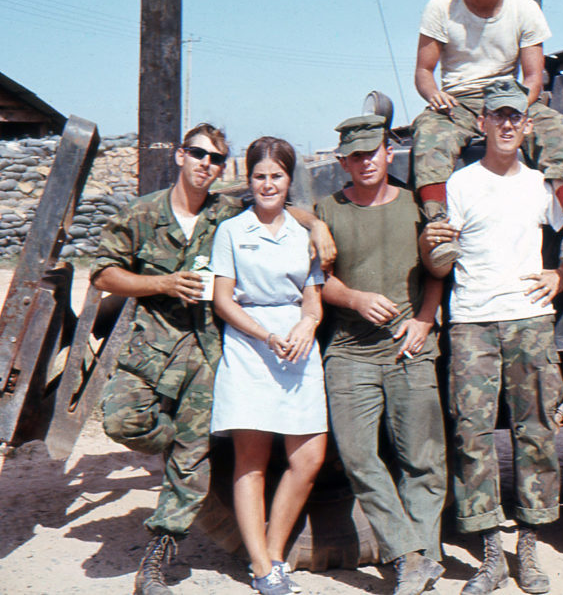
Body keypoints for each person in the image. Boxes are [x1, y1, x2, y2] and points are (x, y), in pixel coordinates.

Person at [92, 124, 335, 595]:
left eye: (217, 158)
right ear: (180, 155)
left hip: (208, 350)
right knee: (123, 422)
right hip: (157, 345)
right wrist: (159, 284)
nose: (207, 163)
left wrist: (317, 224)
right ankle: (183, 455)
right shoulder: (144, 213)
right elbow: (103, 273)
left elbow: (276, 206)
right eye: (199, 154)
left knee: (195, 452)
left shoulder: (226, 212)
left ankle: (160, 557)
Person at [421, 78, 563, 595]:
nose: (507, 124)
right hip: (472, 322)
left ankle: (528, 551)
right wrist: (429, 246)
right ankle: (491, 554)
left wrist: (561, 275)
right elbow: (438, 262)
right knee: (473, 436)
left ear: (527, 124)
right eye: (498, 117)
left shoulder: (540, 185)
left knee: (535, 433)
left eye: (516, 117)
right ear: (482, 123)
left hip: (528, 320)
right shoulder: (460, 184)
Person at [413, 0, 563, 271]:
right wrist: (434, 96)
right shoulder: (442, 6)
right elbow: (424, 72)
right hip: (458, 99)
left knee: (555, 125)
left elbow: (533, 78)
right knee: (429, 135)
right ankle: (440, 231)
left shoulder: (524, 8)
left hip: (508, 95)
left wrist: (517, 107)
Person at [315, 116, 447, 595]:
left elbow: (437, 270)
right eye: (355, 155)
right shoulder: (326, 210)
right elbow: (317, 279)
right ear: (342, 162)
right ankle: (407, 553)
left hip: (409, 346)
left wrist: (425, 320)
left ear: (390, 153)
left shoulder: (417, 205)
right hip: (349, 351)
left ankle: (424, 559)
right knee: (358, 458)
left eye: (373, 152)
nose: (365, 162)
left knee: (423, 460)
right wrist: (353, 299)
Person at [209, 137, 328, 595]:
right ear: (249, 179)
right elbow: (222, 300)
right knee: (251, 462)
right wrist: (266, 335)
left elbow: (312, 299)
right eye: (259, 176)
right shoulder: (233, 232)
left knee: (309, 456)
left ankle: (276, 554)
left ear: (288, 180)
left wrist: (306, 326)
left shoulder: (303, 236)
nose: (267, 184)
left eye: (276, 176)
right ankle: (260, 568)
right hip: (250, 346)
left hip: (297, 348)